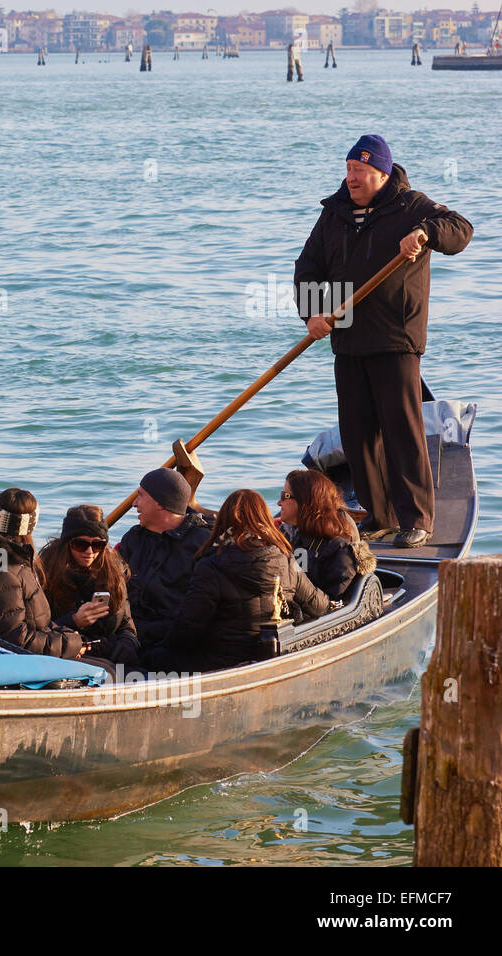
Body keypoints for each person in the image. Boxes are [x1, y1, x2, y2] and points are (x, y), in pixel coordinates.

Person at [294, 134, 473, 548]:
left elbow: (461, 230)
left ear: (381, 173)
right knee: (357, 433)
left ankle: (417, 519)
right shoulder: (335, 213)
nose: (351, 178)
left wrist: (426, 233)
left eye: (359, 171)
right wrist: (313, 314)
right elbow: (307, 267)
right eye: (348, 170)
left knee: (401, 430)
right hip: (348, 337)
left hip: (396, 336)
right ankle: (380, 515)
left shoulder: (411, 206)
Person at [146, 490, 330, 673]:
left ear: (224, 522)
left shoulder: (211, 566)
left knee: (152, 656)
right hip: (272, 655)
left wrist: (161, 639)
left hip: (220, 663)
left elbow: (188, 630)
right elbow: (320, 605)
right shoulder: (287, 559)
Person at [0, 489, 86, 661]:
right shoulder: (1, 572)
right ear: (30, 526)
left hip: (20, 653)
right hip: (12, 663)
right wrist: (72, 644)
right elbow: (15, 640)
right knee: (107, 668)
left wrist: (68, 636)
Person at [116, 468, 213, 651]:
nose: (134, 504)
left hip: (177, 646)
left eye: (140, 496)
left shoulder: (202, 545)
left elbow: (198, 614)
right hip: (129, 639)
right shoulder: (133, 539)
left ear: (160, 503)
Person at [38, 505, 141, 668]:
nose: (90, 551)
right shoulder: (46, 572)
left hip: (108, 655)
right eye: (81, 544)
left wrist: (113, 650)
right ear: (67, 543)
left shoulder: (114, 571)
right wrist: (73, 621)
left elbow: (127, 629)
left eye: (98, 545)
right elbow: (37, 632)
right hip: (64, 656)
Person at [278, 468, 375, 601]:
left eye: (285, 496)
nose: (279, 502)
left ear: (306, 503)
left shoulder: (339, 552)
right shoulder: (287, 535)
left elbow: (333, 604)